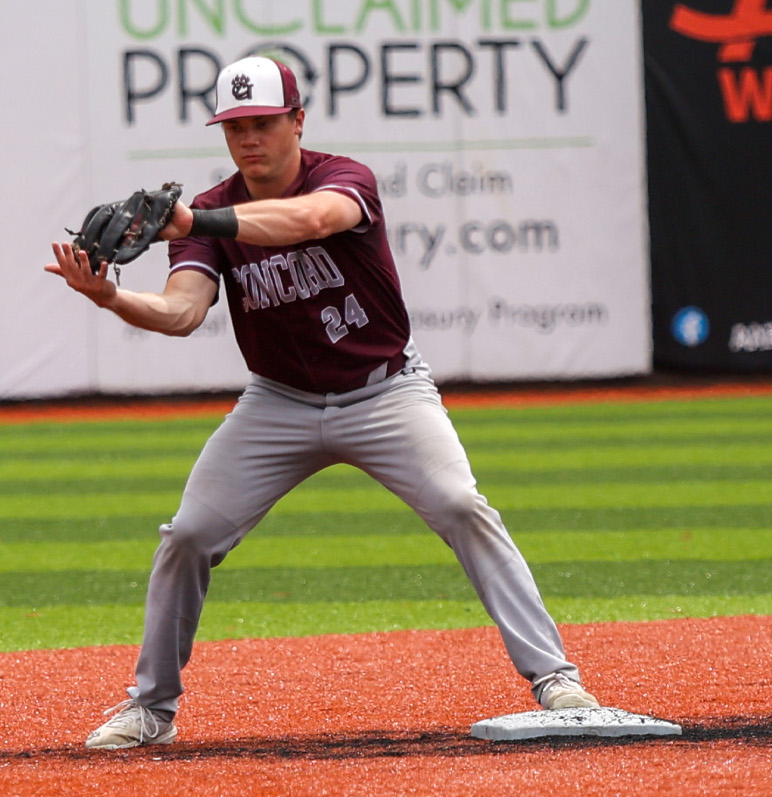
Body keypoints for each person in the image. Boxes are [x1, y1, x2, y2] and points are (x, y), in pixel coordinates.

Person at [45, 55, 598, 751]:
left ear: (297, 121)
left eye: (264, 123)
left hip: (386, 390)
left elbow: (309, 219)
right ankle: (151, 706)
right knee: (186, 535)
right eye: (235, 126)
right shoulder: (204, 216)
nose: (249, 139)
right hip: (279, 402)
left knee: (462, 504)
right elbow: (183, 312)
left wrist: (201, 220)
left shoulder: (342, 179)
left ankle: (557, 680)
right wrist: (113, 298)